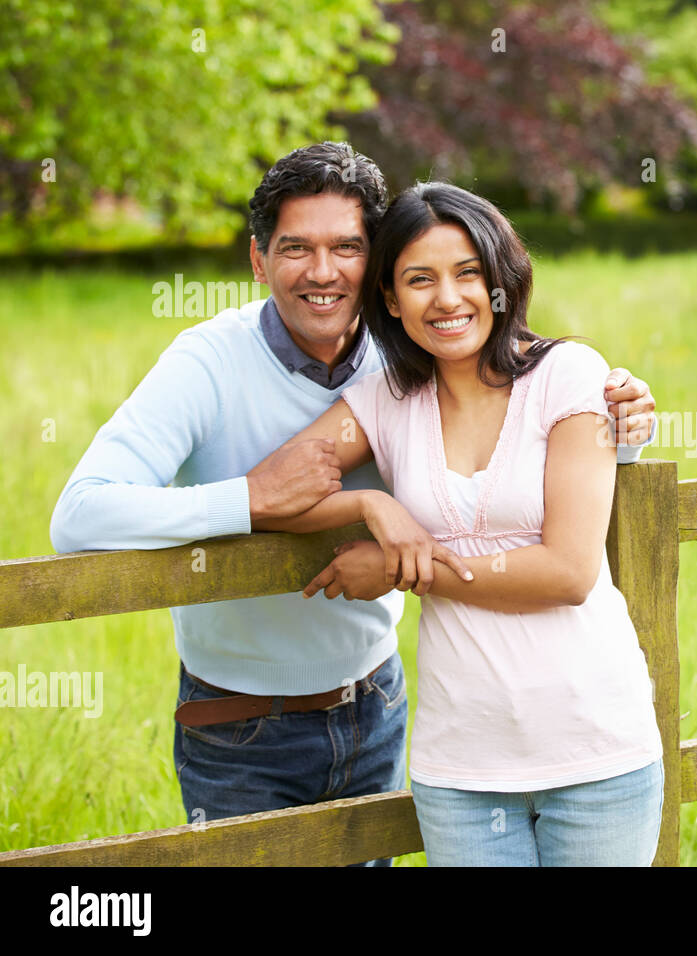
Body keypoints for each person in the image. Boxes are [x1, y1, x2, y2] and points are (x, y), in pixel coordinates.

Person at [48, 143, 658, 865]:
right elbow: (89, 514)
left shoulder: (425, 358)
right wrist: (361, 508)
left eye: (347, 247)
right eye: (296, 248)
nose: (323, 271)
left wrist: (616, 431)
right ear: (258, 260)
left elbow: (554, 528)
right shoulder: (245, 368)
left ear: (374, 268)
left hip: (380, 706)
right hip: (243, 721)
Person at [252, 180, 664, 866]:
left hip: (598, 753)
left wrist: (399, 568)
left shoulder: (568, 376)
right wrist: (369, 505)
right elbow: (275, 488)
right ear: (390, 299)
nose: (447, 298)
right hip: (464, 773)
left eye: (468, 273)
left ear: (500, 280)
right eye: (419, 279)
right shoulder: (386, 399)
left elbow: (567, 572)